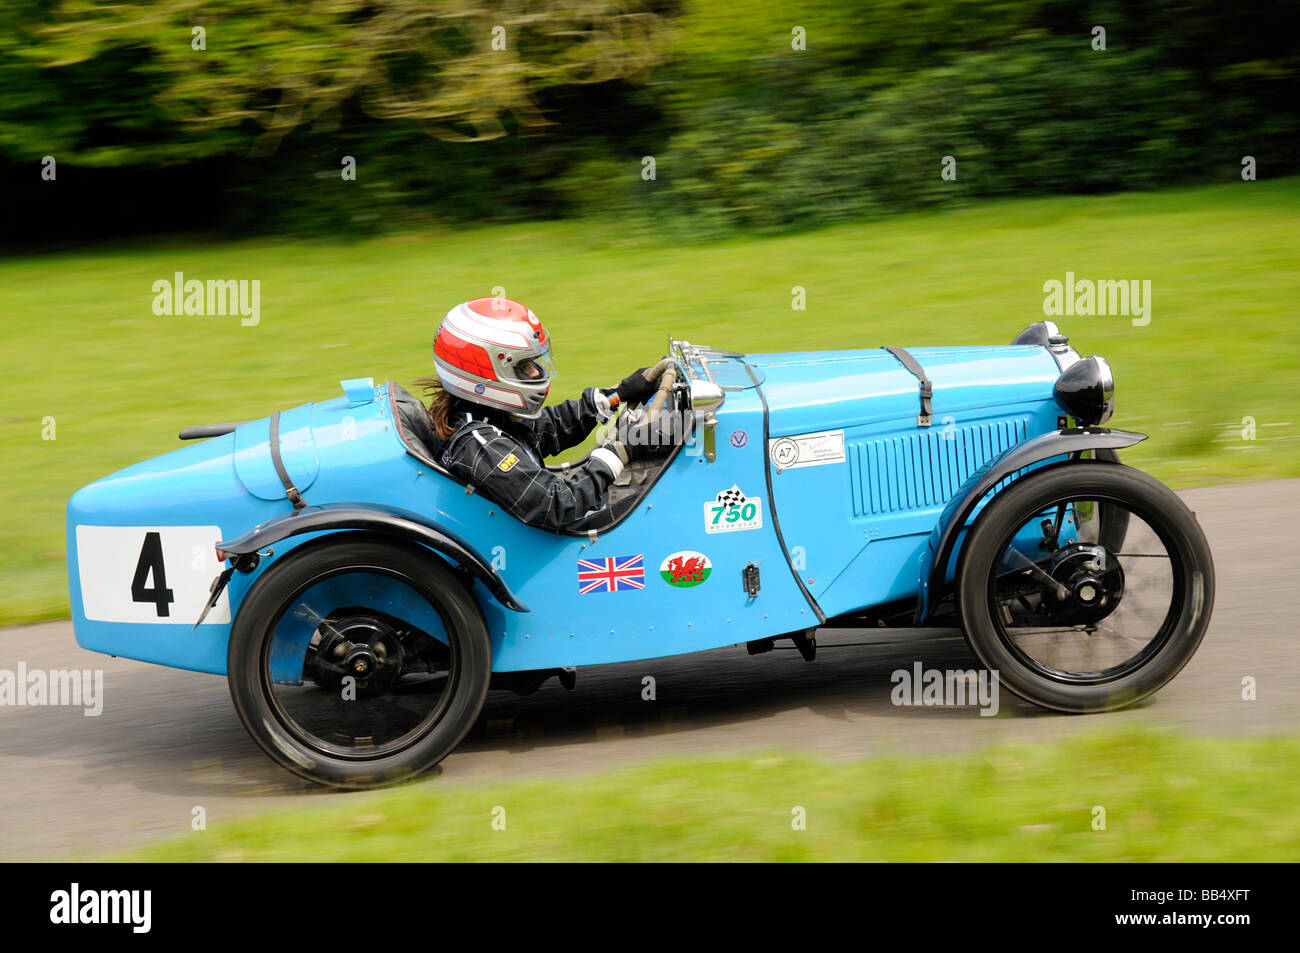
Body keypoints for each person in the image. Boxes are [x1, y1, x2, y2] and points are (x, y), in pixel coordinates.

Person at [417, 297, 666, 533]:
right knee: (661, 504)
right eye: (524, 366)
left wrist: (616, 395)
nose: (536, 373)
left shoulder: (483, 419)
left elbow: (545, 430)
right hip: (552, 548)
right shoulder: (480, 446)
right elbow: (556, 504)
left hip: (541, 531)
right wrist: (619, 450)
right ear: (484, 373)